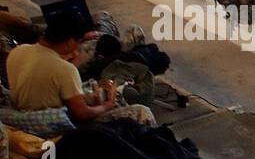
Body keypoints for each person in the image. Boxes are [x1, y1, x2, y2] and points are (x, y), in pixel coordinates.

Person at [5, 13, 155, 126]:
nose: (78, 46)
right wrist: (106, 106)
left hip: (25, 114)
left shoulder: (18, 51)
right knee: (142, 111)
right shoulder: (64, 69)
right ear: (70, 41)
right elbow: (82, 114)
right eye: (79, 41)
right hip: (58, 126)